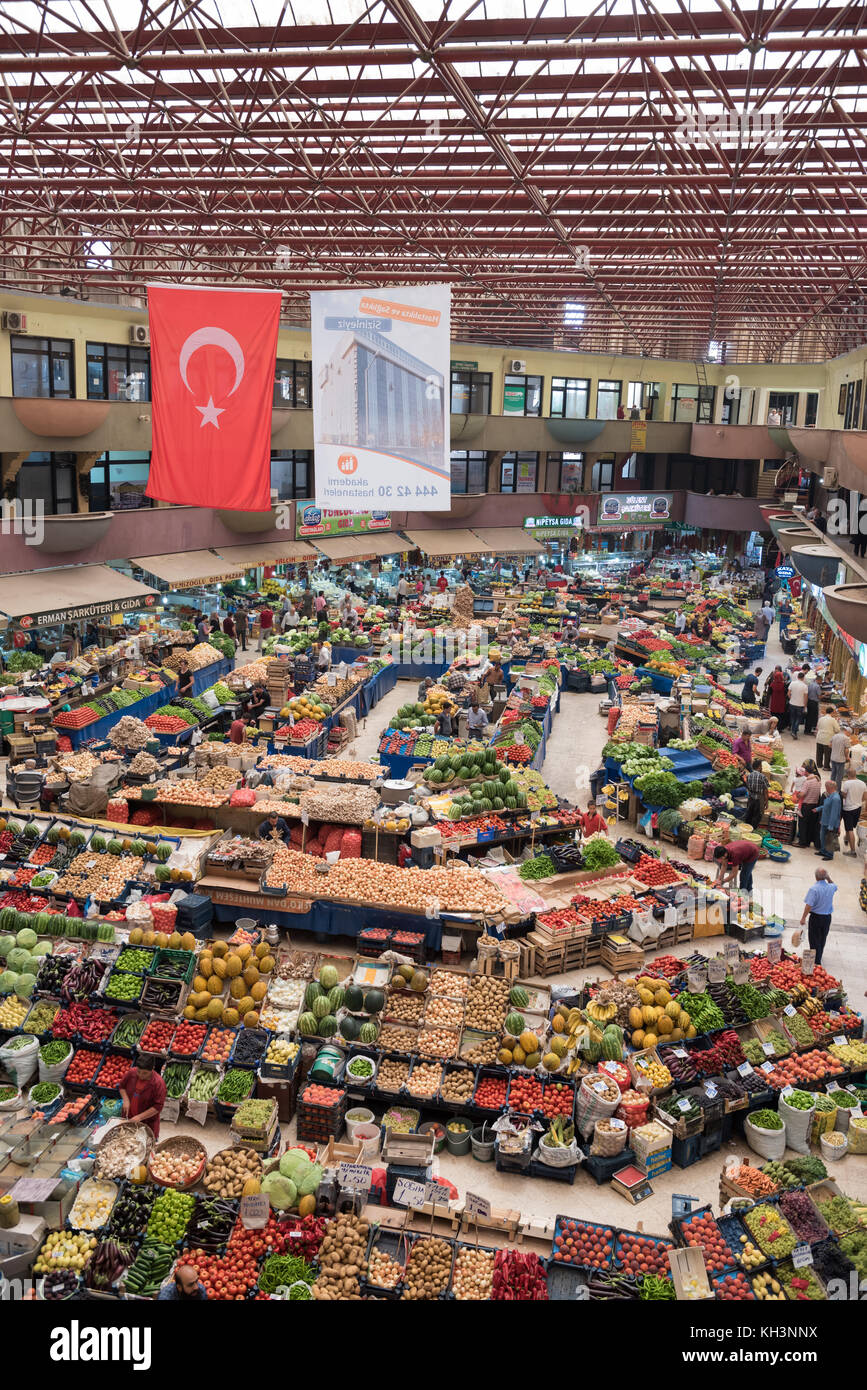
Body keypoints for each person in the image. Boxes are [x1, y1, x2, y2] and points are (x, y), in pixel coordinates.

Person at [119, 1056, 167, 1139]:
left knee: (145, 1142)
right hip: (129, 1117)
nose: (140, 1075)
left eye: (145, 1073)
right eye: (139, 1071)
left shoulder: (159, 1084)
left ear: (152, 1069)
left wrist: (140, 1117)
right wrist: (126, 1100)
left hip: (147, 1121)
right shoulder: (132, 1073)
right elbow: (122, 1087)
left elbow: (158, 1106)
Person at [799, 868, 838, 966]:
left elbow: (809, 905)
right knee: (822, 938)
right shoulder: (831, 887)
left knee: (814, 939)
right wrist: (828, 878)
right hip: (827, 918)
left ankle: (816, 962)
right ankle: (818, 956)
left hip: (816, 918)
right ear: (825, 877)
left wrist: (803, 918)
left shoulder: (814, 889)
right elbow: (835, 885)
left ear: (815, 877)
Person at [793, 761, 822, 847]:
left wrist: (797, 795)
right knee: (810, 824)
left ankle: (802, 842)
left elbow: (802, 794)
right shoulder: (818, 780)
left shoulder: (807, 782)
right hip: (814, 805)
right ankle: (808, 841)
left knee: (802, 824)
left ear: (806, 772)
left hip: (806, 805)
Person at [839, 772, 866, 856]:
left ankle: (853, 851)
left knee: (850, 829)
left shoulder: (847, 783)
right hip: (858, 808)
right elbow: (865, 797)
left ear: (848, 775)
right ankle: (847, 839)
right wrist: (857, 801)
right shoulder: (863, 783)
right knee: (850, 827)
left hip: (848, 809)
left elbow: (844, 795)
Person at [816, 779, 842, 860]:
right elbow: (827, 806)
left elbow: (834, 813)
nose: (825, 788)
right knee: (822, 837)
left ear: (829, 787)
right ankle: (823, 851)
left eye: (826, 787)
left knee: (829, 839)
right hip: (825, 821)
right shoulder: (831, 795)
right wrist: (819, 808)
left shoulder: (835, 798)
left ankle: (829, 855)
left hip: (831, 823)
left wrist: (831, 826)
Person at [744, 762, 770, 829]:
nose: (761, 768)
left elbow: (747, 787)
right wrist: (766, 802)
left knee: (749, 814)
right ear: (759, 767)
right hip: (759, 799)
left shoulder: (749, 776)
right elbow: (765, 791)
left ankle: (747, 829)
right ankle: (753, 829)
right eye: (761, 766)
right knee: (757, 815)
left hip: (751, 798)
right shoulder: (763, 777)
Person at [815, 705, 840, 771]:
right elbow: (837, 730)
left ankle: (819, 764)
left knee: (819, 752)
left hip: (819, 737)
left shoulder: (821, 718)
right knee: (827, 753)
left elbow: (818, 727)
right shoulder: (833, 720)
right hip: (828, 738)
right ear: (832, 713)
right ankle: (826, 766)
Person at [787, 669, 808, 739]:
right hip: (800, 705)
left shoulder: (792, 683)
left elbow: (788, 693)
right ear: (803, 678)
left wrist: (791, 699)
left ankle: (793, 730)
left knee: (792, 717)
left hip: (792, 704)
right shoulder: (805, 686)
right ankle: (794, 731)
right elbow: (805, 697)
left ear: (797, 677)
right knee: (798, 719)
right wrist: (805, 706)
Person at [805, 670, 821, 734]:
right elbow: (819, 697)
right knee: (813, 717)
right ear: (818, 680)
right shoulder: (817, 686)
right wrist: (824, 695)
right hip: (814, 703)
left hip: (809, 701)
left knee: (808, 716)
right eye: (821, 681)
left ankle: (806, 730)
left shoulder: (810, 684)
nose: (821, 682)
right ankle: (810, 731)